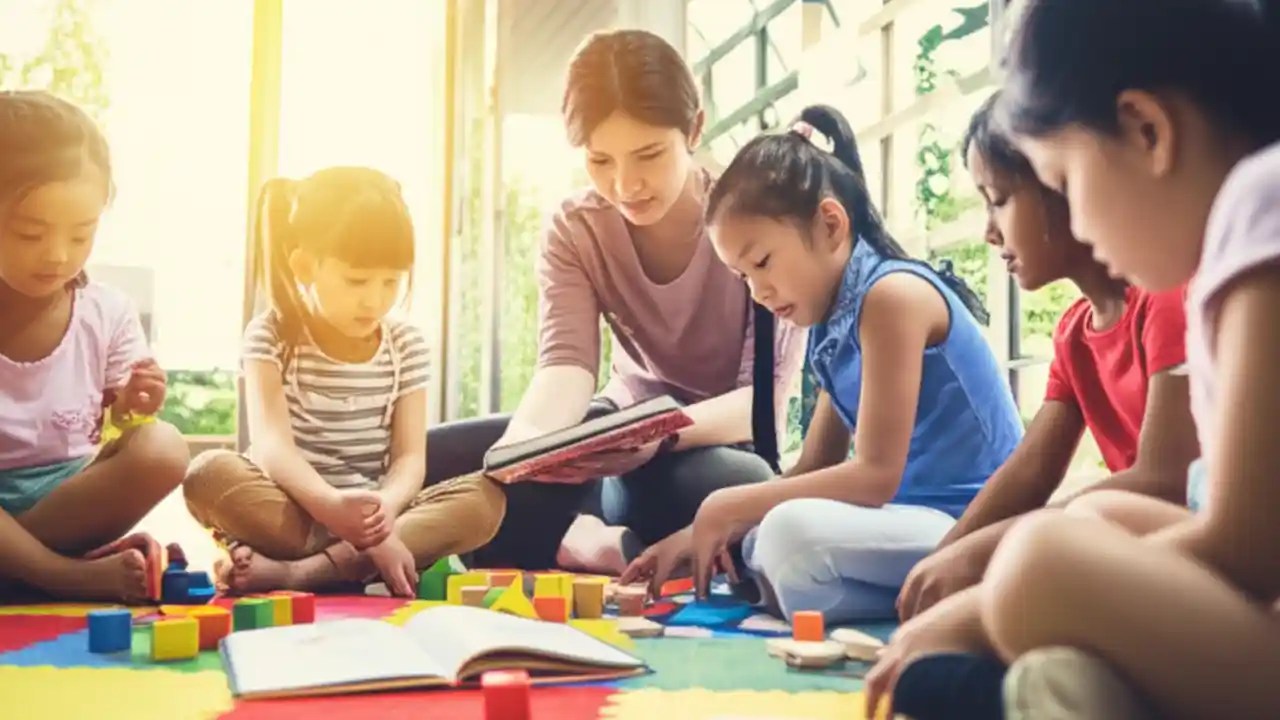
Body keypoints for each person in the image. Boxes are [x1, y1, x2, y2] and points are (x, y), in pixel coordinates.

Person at [866, 2, 1280, 718]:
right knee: (1101, 520)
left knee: (1037, 562)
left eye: (1064, 182)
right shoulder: (1232, 244)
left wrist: (984, 607)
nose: (1078, 223)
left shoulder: (1259, 203)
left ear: (1148, 132)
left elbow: (1246, 547)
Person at [623, 104, 1024, 623]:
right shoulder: (834, 324)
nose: (759, 291)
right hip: (906, 524)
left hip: (966, 525)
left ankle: (965, 593)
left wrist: (725, 506)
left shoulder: (892, 298)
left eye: (762, 262)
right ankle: (924, 603)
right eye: (742, 277)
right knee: (763, 539)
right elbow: (814, 468)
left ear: (831, 224)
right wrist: (691, 534)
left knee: (787, 534)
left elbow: (875, 476)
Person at [427, 29, 805, 573]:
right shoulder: (577, 228)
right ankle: (589, 532)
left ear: (694, 128)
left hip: (710, 443)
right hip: (608, 429)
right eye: (600, 160)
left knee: (739, 488)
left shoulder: (755, 217)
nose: (626, 184)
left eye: (648, 154)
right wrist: (523, 452)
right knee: (437, 461)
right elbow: (565, 369)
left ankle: (580, 530)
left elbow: (760, 404)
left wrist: (654, 440)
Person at [895, 92, 1199, 622]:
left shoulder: (1166, 297)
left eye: (1000, 198)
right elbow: (1031, 472)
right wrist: (942, 559)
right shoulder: (1075, 335)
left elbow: (1164, 478)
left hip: (1189, 544)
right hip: (1140, 545)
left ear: (1062, 182)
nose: (990, 232)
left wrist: (984, 551)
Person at [183, 167, 505, 597]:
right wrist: (335, 511)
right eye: (357, 280)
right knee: (207, 472)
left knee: (486, 500)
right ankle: (359, 561)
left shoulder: (405, 343)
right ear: (304, 266)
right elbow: (273, 448)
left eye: (391, 281)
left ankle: (304, 574)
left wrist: (384, 514)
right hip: (297, 511)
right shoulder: (271, 335)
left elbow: (410, 458)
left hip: (378, 516)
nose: (375, 299)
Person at [0, 90, 189, 603]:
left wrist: (131, 408)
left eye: (81, 234)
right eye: (30, 233)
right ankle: (61, 576)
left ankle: (21, 569)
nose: (57, 255)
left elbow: (119, 430)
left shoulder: (106, 311)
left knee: (164, 447)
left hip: (67, 497)